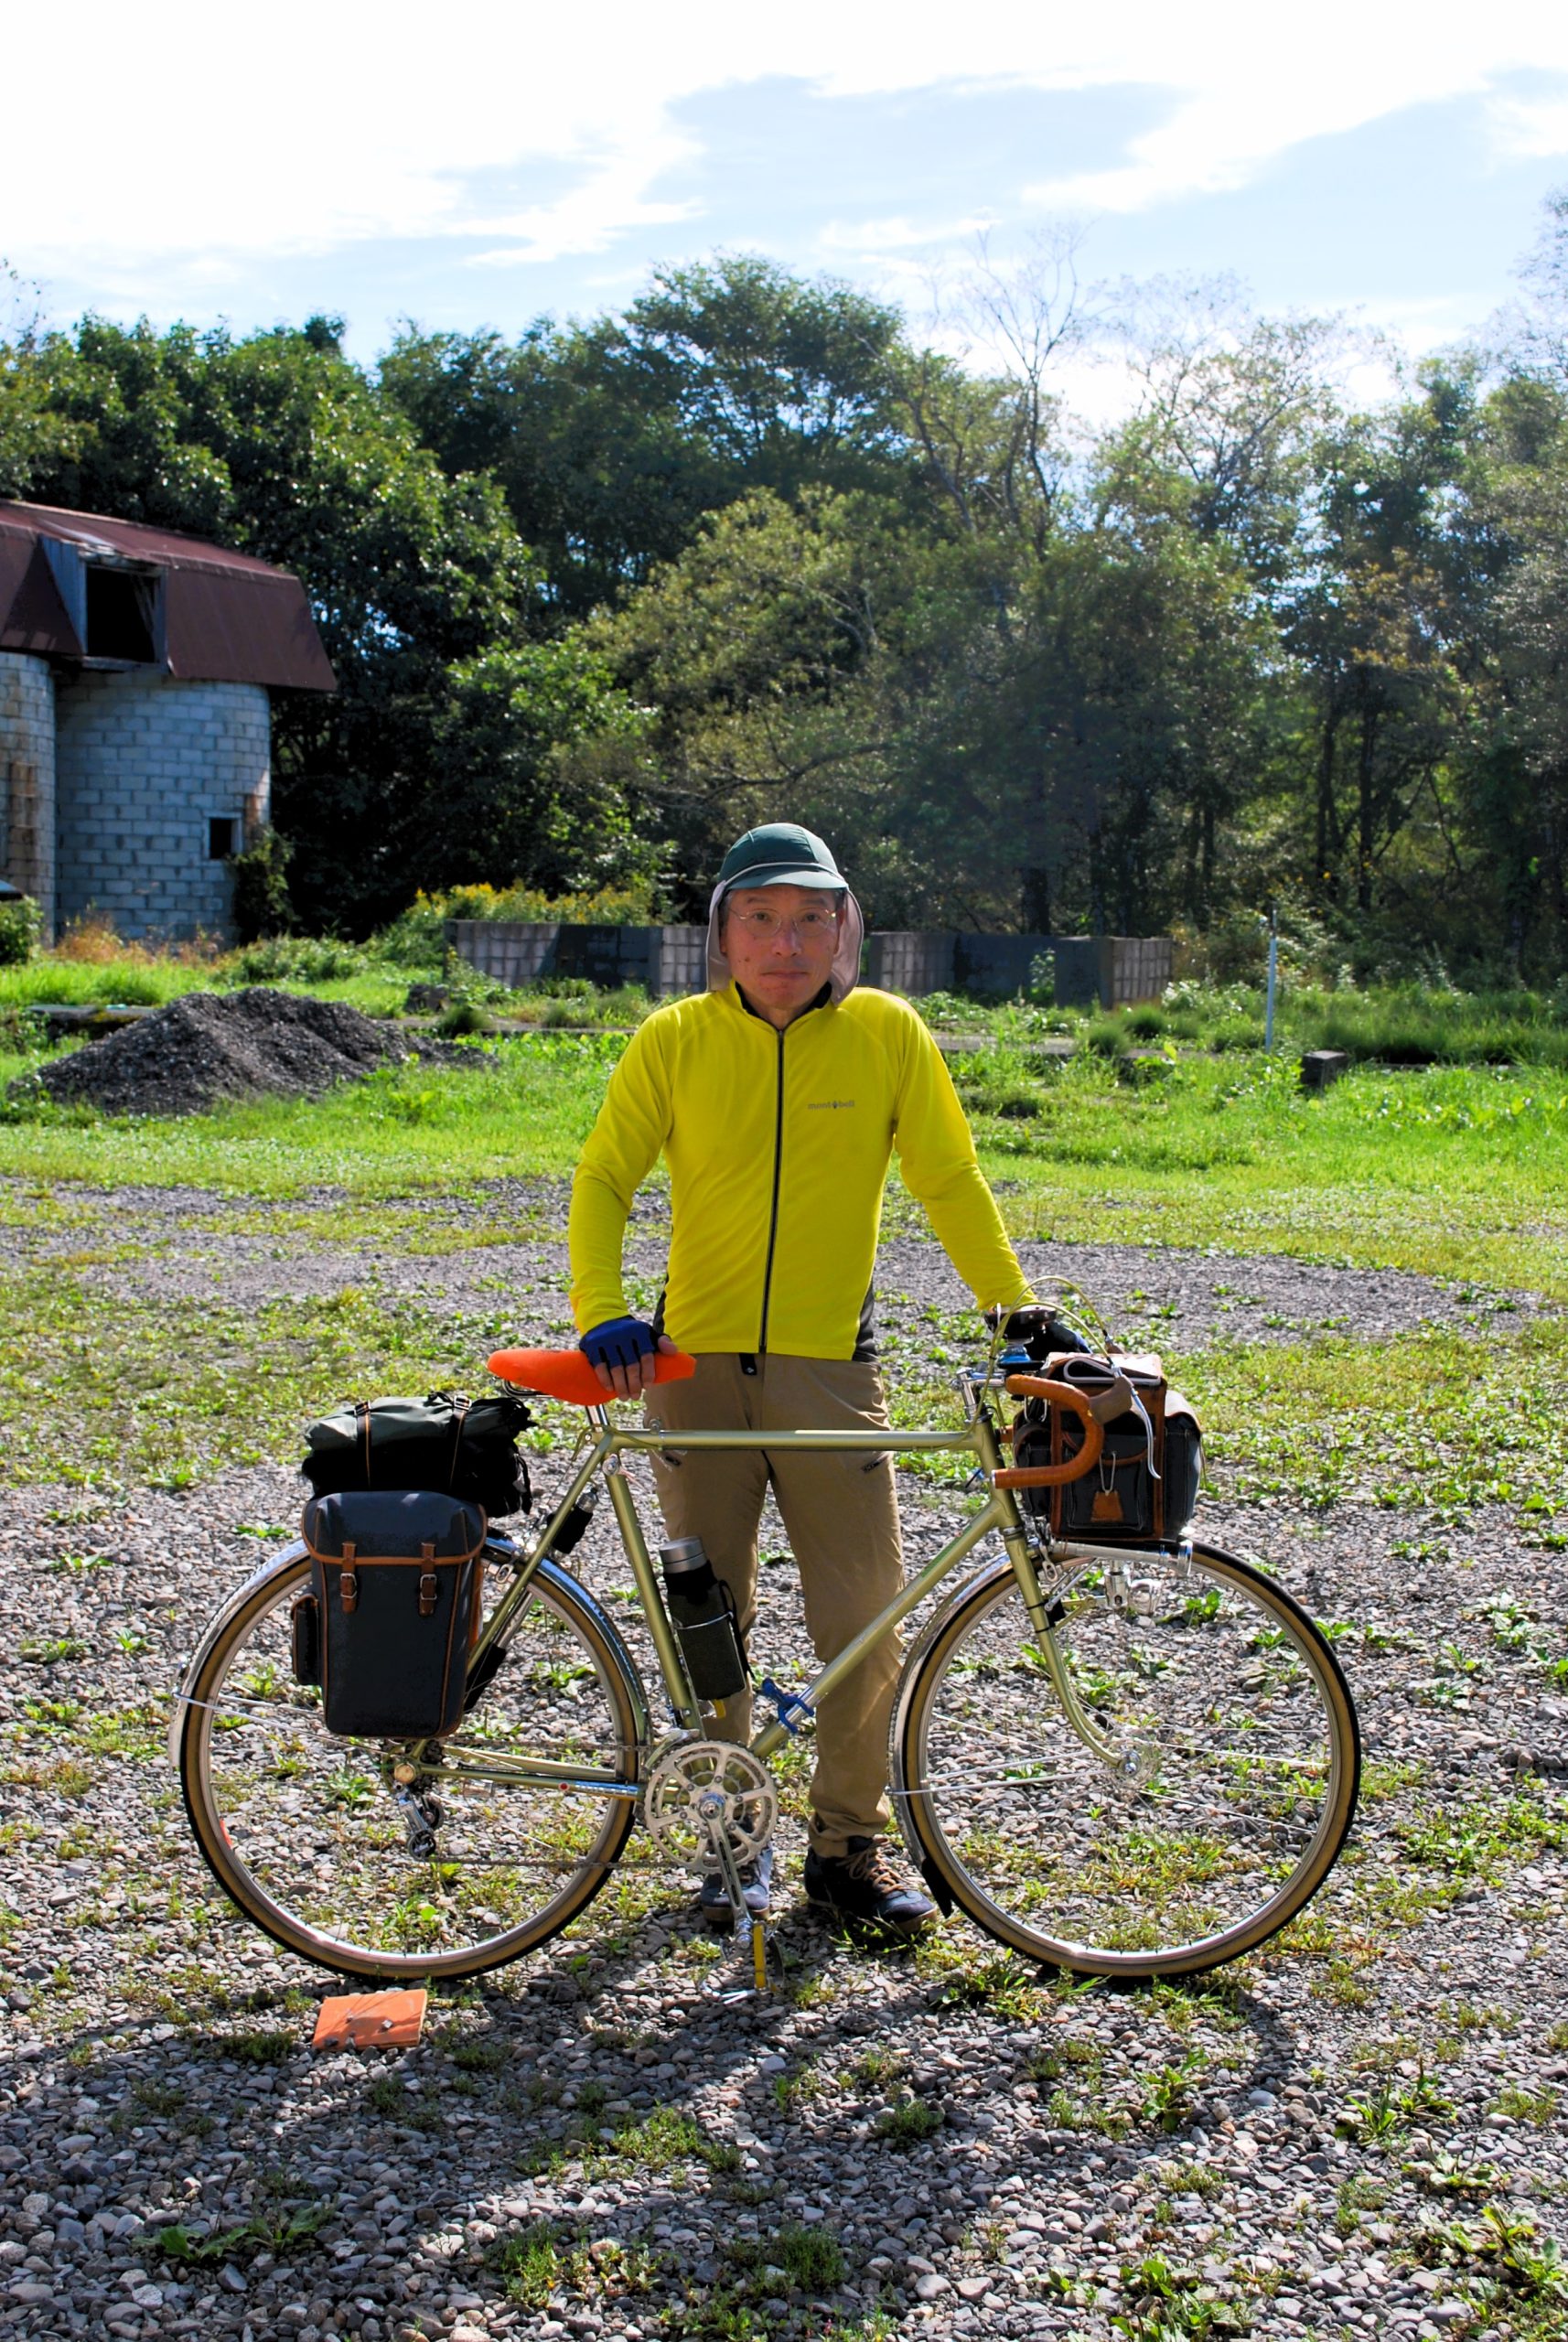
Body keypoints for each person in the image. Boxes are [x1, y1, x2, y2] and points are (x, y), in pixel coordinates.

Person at [567, 822, 1046, 1937]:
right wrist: (602, 1313)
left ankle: (845, 1847)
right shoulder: (672, 1040)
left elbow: (948, 1178)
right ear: (722, 932)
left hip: (832, 1368)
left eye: (810, 918)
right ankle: (731, 1833)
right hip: (690, 1376)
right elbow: (603, 1178)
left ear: (845, 928)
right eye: (761, 918)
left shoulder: (885, 1033)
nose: (786, 943)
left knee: (863, 1618)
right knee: (708, 1617)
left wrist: (1014, 1310)